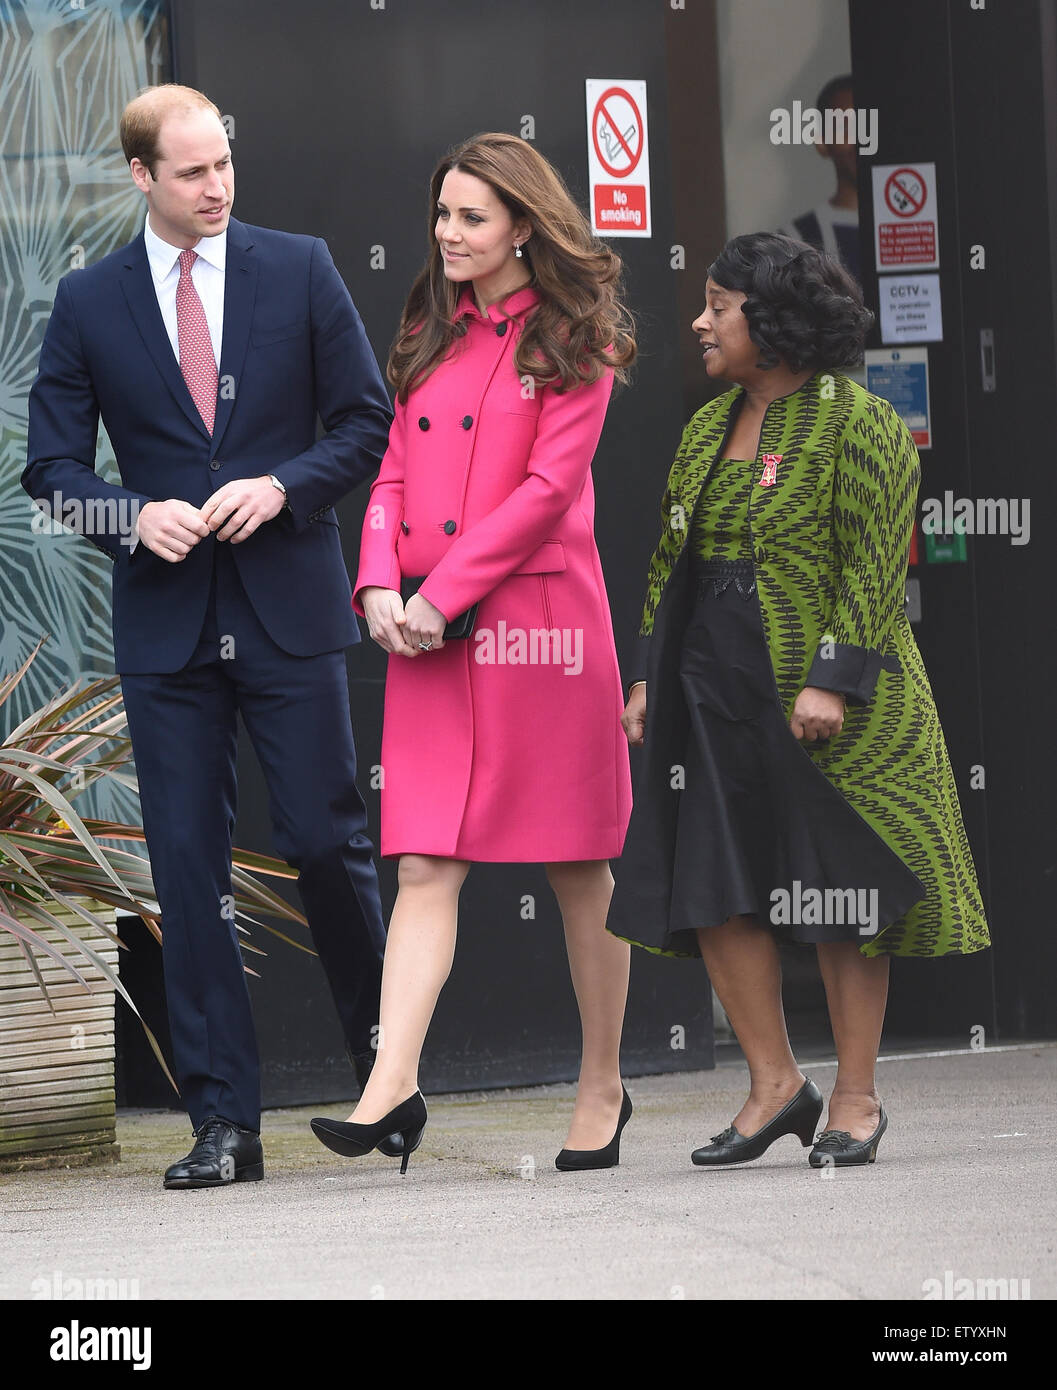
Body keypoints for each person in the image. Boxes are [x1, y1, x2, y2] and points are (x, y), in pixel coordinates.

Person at [23, 84, 396, 1189]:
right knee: (186, 869)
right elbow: (50, 471)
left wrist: (282, 489)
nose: (217, 186)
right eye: (190, 172)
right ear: (141, 175)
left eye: (223, 162)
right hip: (165, 622)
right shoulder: (89, 300)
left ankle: (387, 1078)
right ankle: (223, 1123)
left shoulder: (301, 265)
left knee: (328, 841)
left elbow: (364, 422)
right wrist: (128, 513)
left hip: (287, 607)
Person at [607, 233, 989, 1168]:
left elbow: (870, 569)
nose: (699, 321)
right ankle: (775, 1087)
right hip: (712, 689)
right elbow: (670, 564)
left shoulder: (859, 423)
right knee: (716, 888)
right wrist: (651, 671)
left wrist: (831, 679)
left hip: (832, 702)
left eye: (717, 306)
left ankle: (854, 1097)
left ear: (770, 323)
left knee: (842, 890)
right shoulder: (704, 428)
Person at [309, 132, 636, 1175]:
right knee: (422, 858)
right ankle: (389, 1082)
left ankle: (602, 1083)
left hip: (538, 631)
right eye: (442, 215)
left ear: (523, 228)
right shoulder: (426, 326)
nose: (448, 235)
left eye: (471, 218)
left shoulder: (576, 337)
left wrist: (442, 595)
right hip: (428, 635)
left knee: (578, 862)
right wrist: (374, 582)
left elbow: (546, 497)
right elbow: (395, 467)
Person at [778, 75, 862, 283]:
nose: (861, 139)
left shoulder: (915, 228)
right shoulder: (796, 240)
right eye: (845, 128)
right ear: (822, 143)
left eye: (868, 126)